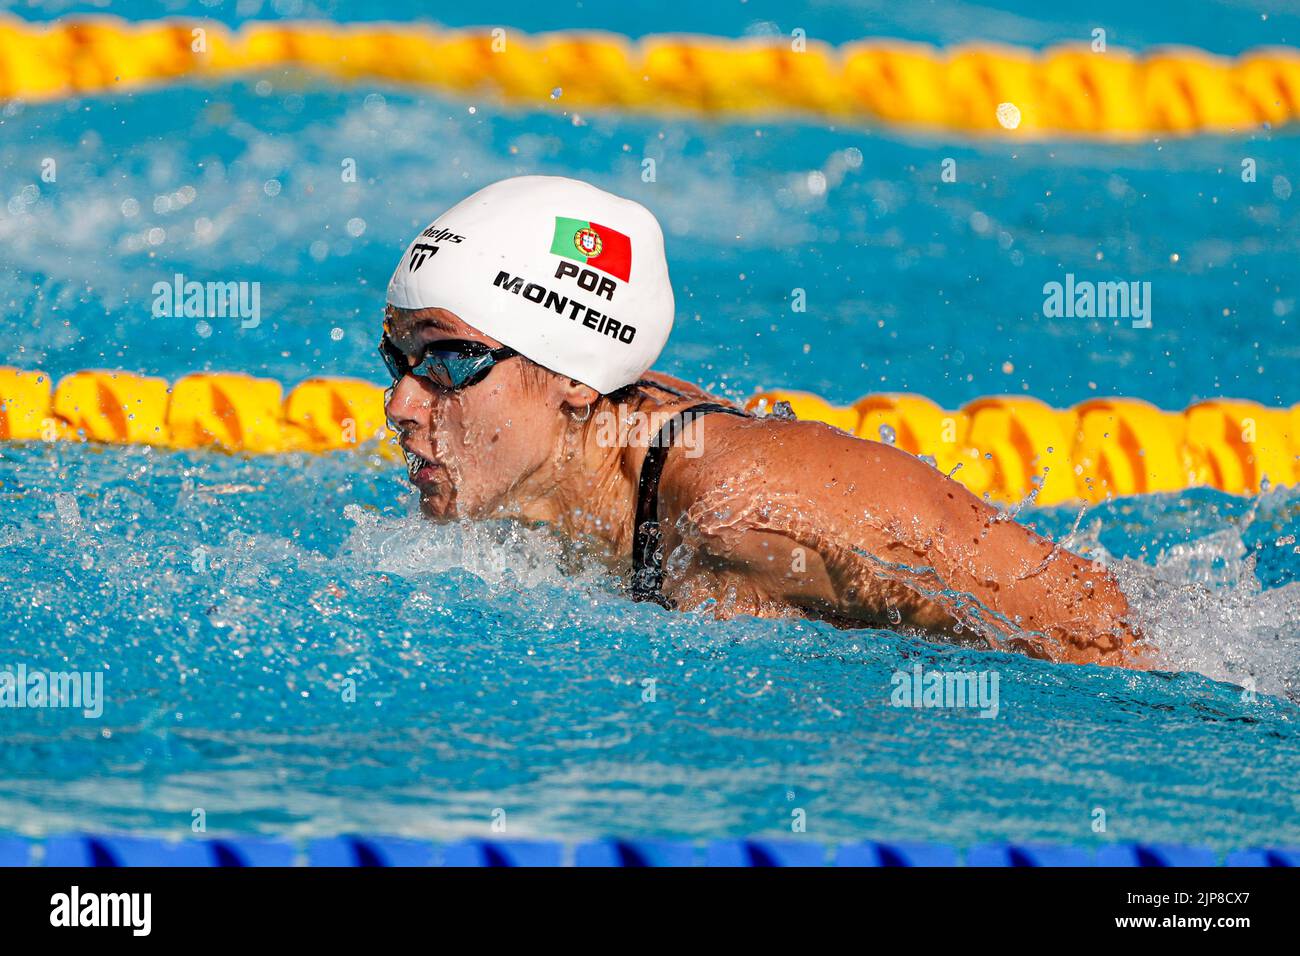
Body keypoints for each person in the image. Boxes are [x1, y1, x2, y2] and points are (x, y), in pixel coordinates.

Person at [381, 175, 1150, 668]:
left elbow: (1095, 628)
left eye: (447, 361)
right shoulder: (544, 478)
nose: (401, 404)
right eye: (398, 357)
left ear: (577, 379)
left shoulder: (750, 507)